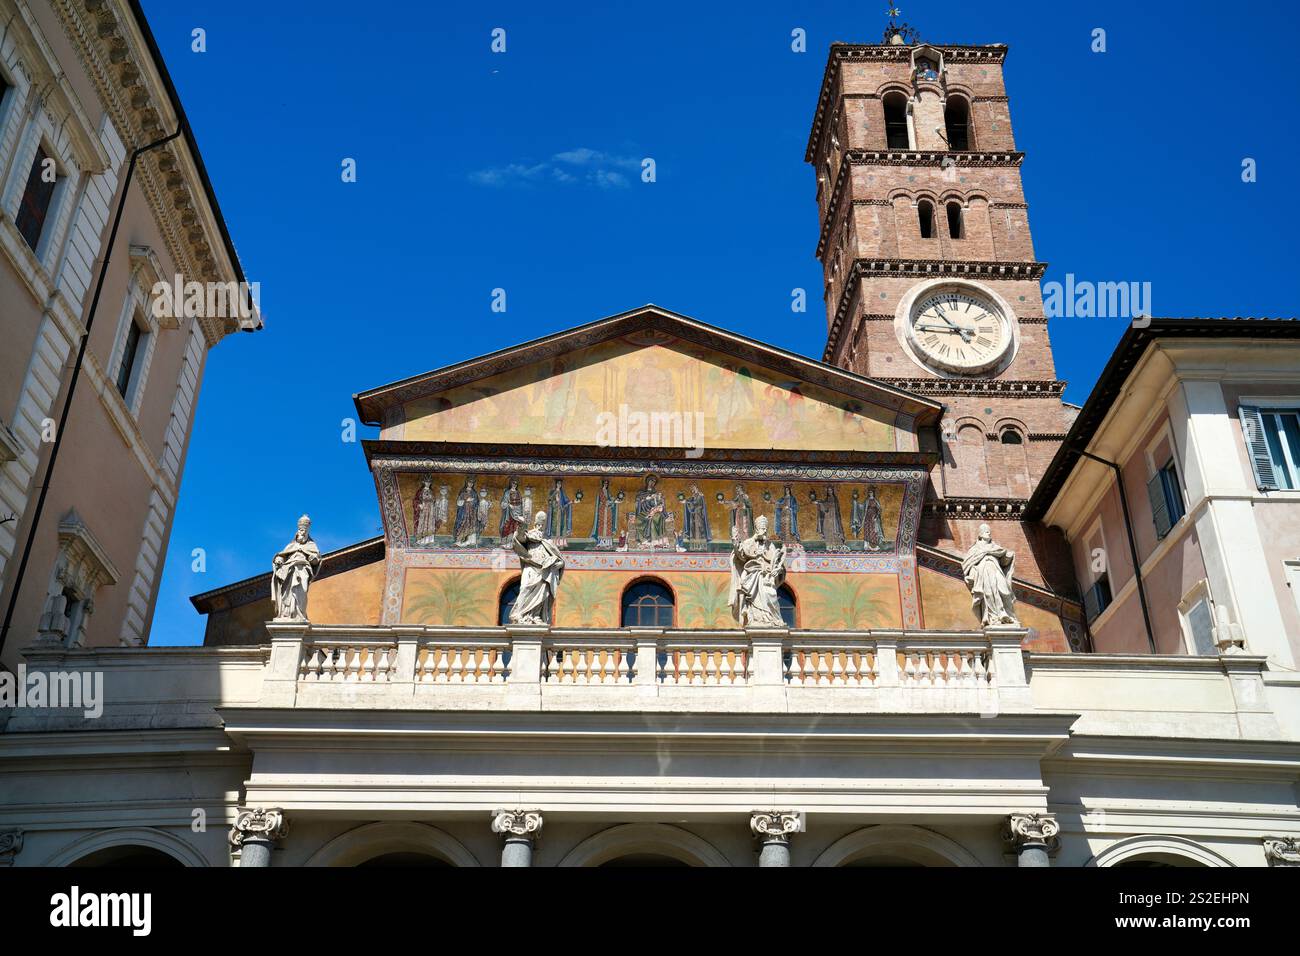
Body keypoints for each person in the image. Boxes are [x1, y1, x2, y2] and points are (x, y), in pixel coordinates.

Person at [508, 509, 566, 625]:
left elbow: (558, 557)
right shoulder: (528, 535)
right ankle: (519, 614)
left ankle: (536, 616)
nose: (540, 527)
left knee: (543, 593)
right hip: (531, 566)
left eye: (543, 524)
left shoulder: (547, 541)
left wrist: (560, 564)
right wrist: (521, 526)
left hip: (545, 569)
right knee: (526, 588)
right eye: (539, 524)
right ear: (535, 524)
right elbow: (519, 539)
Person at [728, 515, 786, 627]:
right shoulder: (749, 542)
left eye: (765, 528)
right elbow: (740, 553)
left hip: (766, 577)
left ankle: (771, 619)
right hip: (753, 573)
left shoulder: (770, 545)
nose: (764, 531)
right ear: (756, 528)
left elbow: (776, 561)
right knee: (753, 597)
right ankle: (756, 618)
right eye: (762, 528)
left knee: (771, 595)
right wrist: (735, 541)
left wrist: (778, 568)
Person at [962, 522, 1019, 625]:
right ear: (980, 535)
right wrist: (971, 574)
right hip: (983, 572)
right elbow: (968, 563)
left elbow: (1004, 561)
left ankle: (1008, 614)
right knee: (988, 593)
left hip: (996, 569)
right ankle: (994, 617)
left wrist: (1009, 556)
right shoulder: (975, 549)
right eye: (985, 531)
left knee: (1004, 590)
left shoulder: (995, 547)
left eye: (989, 531)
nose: (988, 533)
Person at [272, 515, 322, 621]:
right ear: (297, 531)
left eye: (304, 530)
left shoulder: (312, 545)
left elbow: (316, 560)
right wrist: (279, 559)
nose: (302, 533)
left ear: (307, 532)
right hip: (289, 570)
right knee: (288, 591)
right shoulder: (291, 546)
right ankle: (287, 613)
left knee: (302, 589)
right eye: (300, 530)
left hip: (303, 569)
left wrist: (313, 558)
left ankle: (299, 613)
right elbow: (281, 555)